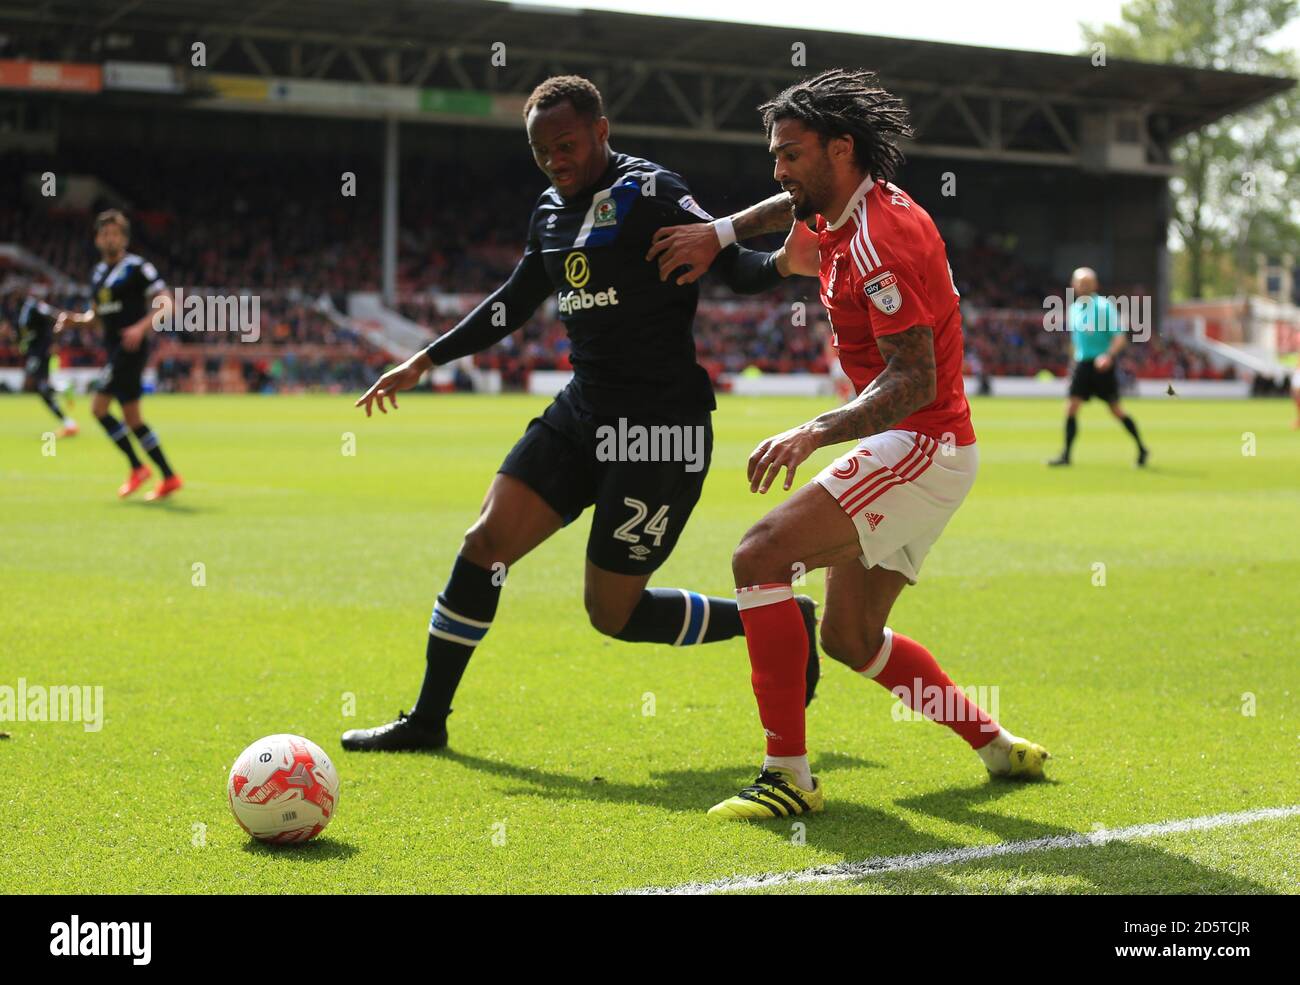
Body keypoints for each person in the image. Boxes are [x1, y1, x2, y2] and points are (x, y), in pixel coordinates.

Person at [341, 75, 819, 753]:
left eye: (566, 145)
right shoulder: (550, 212)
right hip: (583, 412)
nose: (555, 161)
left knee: (612, 615)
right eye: (541, 153)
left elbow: (730, 263)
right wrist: (426, 359)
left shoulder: (650, 193)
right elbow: (513, 301)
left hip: (659, 431)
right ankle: (428, 720)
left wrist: (780, 264)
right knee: (484, 544)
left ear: (601, 130)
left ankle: (780, 620)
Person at [650, 68, 1050, 819]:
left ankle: (788, 775)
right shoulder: (840, 207)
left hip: (921, 438)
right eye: (775, 153)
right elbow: (784, 210)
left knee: (758, 555)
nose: (779, 168)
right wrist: (723, 232)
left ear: (841, 150)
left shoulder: (880, 239)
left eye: (791, 154)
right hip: (930, 444)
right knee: (849, 635)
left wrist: (814, 430)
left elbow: (914, 379)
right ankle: (994, 742)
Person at [55, 210, 182, 500]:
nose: (110, 238)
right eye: (105, 234)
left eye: (116, 233)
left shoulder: (138, 267)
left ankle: (138, 467)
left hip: (130, 349)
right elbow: (98, 317)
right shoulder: (97, 273)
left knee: (98, 409)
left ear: (124, 238)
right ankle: (169, 476)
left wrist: (140, 328)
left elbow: (167, 304)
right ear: (98, 239)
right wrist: (76, 320)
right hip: (113, 348)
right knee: (133, 419)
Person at [1047, 267, 1148, 467]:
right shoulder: (1074, 309)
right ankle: (1066, 455)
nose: (1083, 286)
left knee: (1116, 410)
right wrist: (1073, 362)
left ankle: (1142, 448)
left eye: (1087, 282)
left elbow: (1120, 337)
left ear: (1095, 285)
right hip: (1082, 364)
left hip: (1101, 365)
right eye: (1080, 282)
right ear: (1073, 285)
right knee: (1071, 407)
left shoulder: (1104, 307)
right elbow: (1077, 341)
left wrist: (1108, 356)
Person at [18, 295, 78, 436]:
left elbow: (55, 316)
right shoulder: (24, 310)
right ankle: (63, 391)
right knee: (36, 387)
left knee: (34, 385)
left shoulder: (34, 306)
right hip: (35, 352)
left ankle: (68, 423)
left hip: (41, 353)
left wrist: (55, 342)